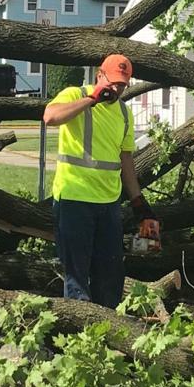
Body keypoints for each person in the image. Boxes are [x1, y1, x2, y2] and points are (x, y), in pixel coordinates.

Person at [42, 53, 158, 308]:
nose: (116, 88)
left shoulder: (124, 114)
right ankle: (79, 339)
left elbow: (125, 160)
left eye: (122, 84)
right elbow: (50, 117)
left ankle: (107, 333)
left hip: (108, 205)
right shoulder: (75, 94)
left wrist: (140, 204)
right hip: (74, 199)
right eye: (113, 82)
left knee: (110, 275)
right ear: (99, 76)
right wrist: (90, 100)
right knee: (77, 278)